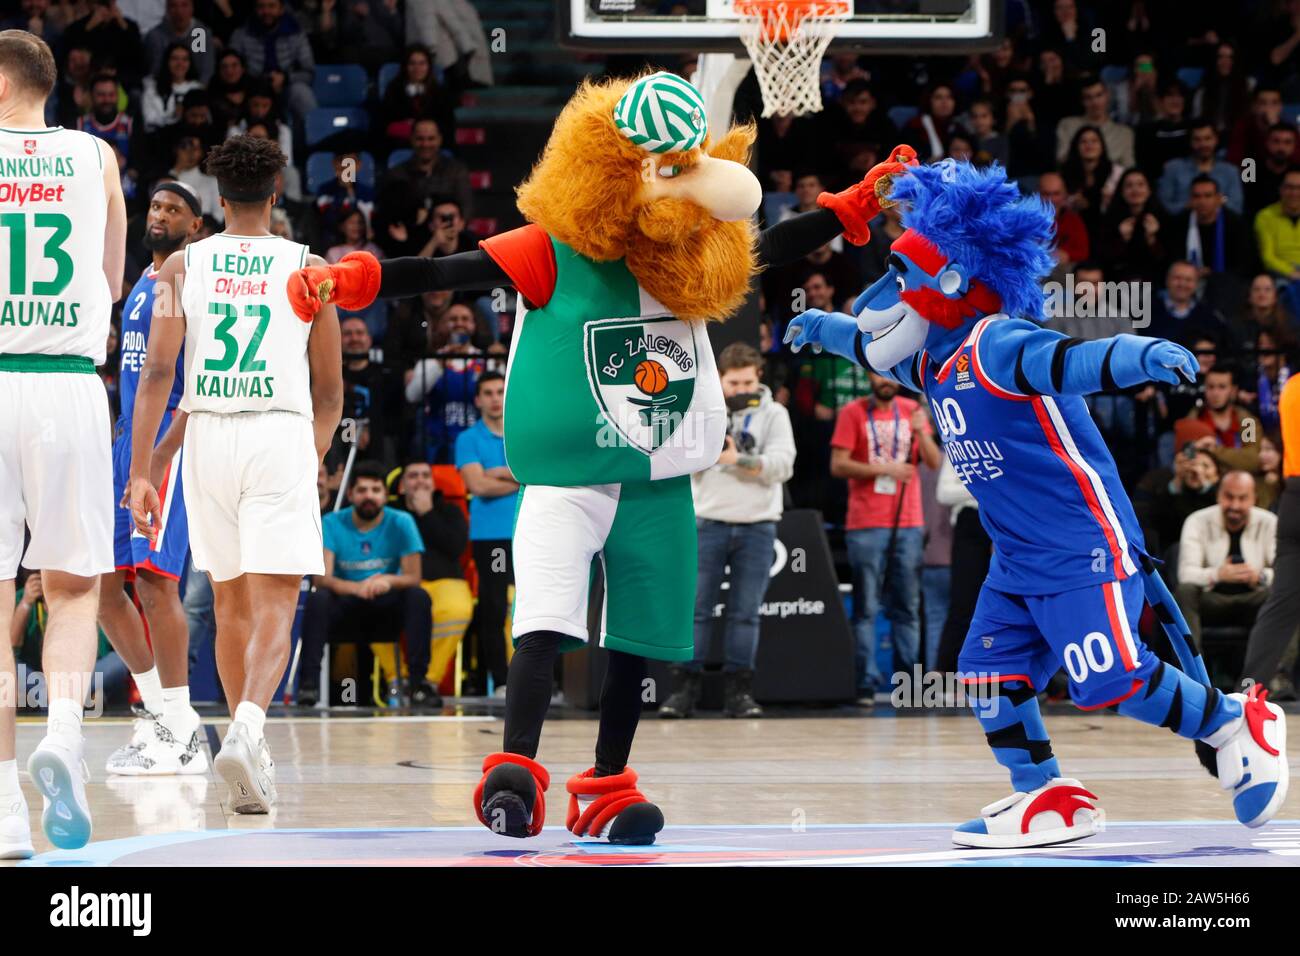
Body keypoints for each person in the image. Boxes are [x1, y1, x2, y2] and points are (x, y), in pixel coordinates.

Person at [786, 157, 1287, 844]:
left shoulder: (998, 342)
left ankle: (1236, 720)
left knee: (1109, 678)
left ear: (952, 280)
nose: (888, 292)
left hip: (1082, 542)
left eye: (903, 275)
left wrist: (1139, 356)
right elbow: (866, 345)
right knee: (987, 672)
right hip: (1017, 555)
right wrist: (819, 328)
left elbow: (1074, 362)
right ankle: (1048, 795)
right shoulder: (931, 360)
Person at [127, 134, 343, 815]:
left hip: (209, 438)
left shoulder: (180, 269)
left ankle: (246, 742)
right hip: (278, 430)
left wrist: (146, 468)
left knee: (228, 606)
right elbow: (332, 391)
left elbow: (160, 375)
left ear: (218, 201)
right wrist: (307, 456)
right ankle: (250, 730)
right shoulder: (311, 268)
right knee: (277, 602)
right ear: (276, 194)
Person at [0, 28, 126, 857]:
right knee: (74, 588)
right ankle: (66, 738)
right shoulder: (96, 158)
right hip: (70, 382)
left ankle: (4, 814)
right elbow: (111, 281)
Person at [98, 181, 205, 776]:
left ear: (196, 226)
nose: (160, 214)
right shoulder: (142, 279)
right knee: (102, 587)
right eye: (157, 206)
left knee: (156, 582)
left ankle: (181, 727)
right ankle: (164, 717)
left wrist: (162, 453)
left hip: (165, 446)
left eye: (175, 210)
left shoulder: (189, 280)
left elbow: (191, 378)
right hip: (125, 446)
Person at [659, 343, 796, 719]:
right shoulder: (702, 411)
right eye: (733, 382)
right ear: (720, 379)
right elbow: (680, 463)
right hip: (708, 520)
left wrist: (738, 459)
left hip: (758, 523)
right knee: (698, 609)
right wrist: (708, 452)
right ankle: (682, 690)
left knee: (746, 613)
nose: (741, 389)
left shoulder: (775, 414)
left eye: (747, 381)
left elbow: (783, 466)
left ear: (759, 377)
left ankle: (740, 692)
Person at [832, 371, 942, 705]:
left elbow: (934, 462)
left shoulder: (912, 409)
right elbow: (838, 465)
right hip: (866, 522)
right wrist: (884, 469)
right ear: (868, 375)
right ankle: (865, 683)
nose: (884, 380)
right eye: (878, 374)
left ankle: (907, 684)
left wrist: (922, 430)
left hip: (908, 523)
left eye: (889, 375)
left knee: (907, 607)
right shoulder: (852, 412)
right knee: (866, 607)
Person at [300, 462, 440, 709]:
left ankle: (419, 684)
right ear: (351, 494)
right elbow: (322, 577)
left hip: (385, 605)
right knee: (318, 597)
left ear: (385, 496)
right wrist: (356, 588)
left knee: (418, 596)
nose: (369, 496)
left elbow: (413, 576)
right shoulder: (332, 522)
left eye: (375, 490)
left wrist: (386, 581)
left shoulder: (402, 522)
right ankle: (308, 685)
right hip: (346, 604)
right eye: (362, 490)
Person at [382, 460, 473, 696]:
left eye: (425, 475)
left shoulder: (449, 511)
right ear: (402, 486)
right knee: (372, 603)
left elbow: (456, 547)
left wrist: (428, 513)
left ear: (433, 483)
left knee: (457, 609)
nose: (421, 480)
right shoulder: (391, 514)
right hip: (401, 581)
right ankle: (397, 679)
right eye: (413, 476)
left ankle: (427, 681)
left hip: (446, 579)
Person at [454, 371, 518, 696]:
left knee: (535, 605)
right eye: (488, 393)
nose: (495, 398)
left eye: (500, 391)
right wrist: (522, 478)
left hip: (528, 529)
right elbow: (476, 485)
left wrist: (504, 474)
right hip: (490, 536)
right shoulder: (468, 439)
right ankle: (502, 681)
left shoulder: (524, 431)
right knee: (493, 606)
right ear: (478, 399)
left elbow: (544, 477)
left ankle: (543, 682)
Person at [1176, 471, 1278, 658]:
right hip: (1212, 599)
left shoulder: (1269, 522)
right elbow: (1185, 574)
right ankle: (1193, 674)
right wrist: (1218, 574)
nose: (1235, 505)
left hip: (1255, 599)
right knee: (1185, 591)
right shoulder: (1197, 521)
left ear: (1254, 498)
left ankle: (1278, 675)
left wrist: (1260, 576)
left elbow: (1285, 573)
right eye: (1229, 497)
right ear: (1218, 495)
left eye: (1242, 498)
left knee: (1290, 594)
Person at [1241, 375, 1300, 690]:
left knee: (1280, 607)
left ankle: (1249, 690)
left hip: (1293, 498)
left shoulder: (1291, 387)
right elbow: (1249, 443)